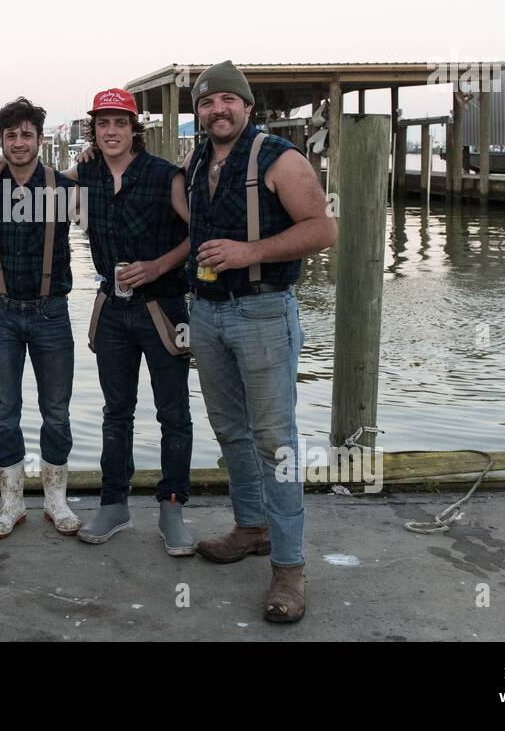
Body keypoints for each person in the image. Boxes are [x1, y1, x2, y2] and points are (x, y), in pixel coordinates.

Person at [185, 60, 337, 623]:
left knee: (277, 442)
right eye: (206, 102)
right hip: (207, 313)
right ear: (198, 113)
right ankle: (250, 528)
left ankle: (290, 569)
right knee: (230, 431)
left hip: (263, 312)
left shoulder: (280, 158)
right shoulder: (199, 159)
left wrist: (249, 252)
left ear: (248, 106)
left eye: (227, 100)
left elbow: (323, 229)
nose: (217, 109)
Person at [71, 88, 195, 555]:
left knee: (173, 413)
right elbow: (39, 187)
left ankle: (172, 507)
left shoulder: (167, 176)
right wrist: (0, 167)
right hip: (111, 309)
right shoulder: (85, 174)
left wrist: (159, 266)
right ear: (94, 129)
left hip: (163, 308)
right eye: (103, 123)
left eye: (120, 122)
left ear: (133, 128)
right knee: (115, 413)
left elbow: (197, 232)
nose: (111, 130)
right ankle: (113, 503)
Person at [0, 98, 80, 539]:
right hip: (0, 312)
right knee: (4, 412)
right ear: (1, 140)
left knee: (56, 410)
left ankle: (55, 500)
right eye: (10, 135)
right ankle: (12, 502)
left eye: (26, 134)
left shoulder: (67, 188)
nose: (18, 142)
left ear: (41, 138)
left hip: (51, 311)